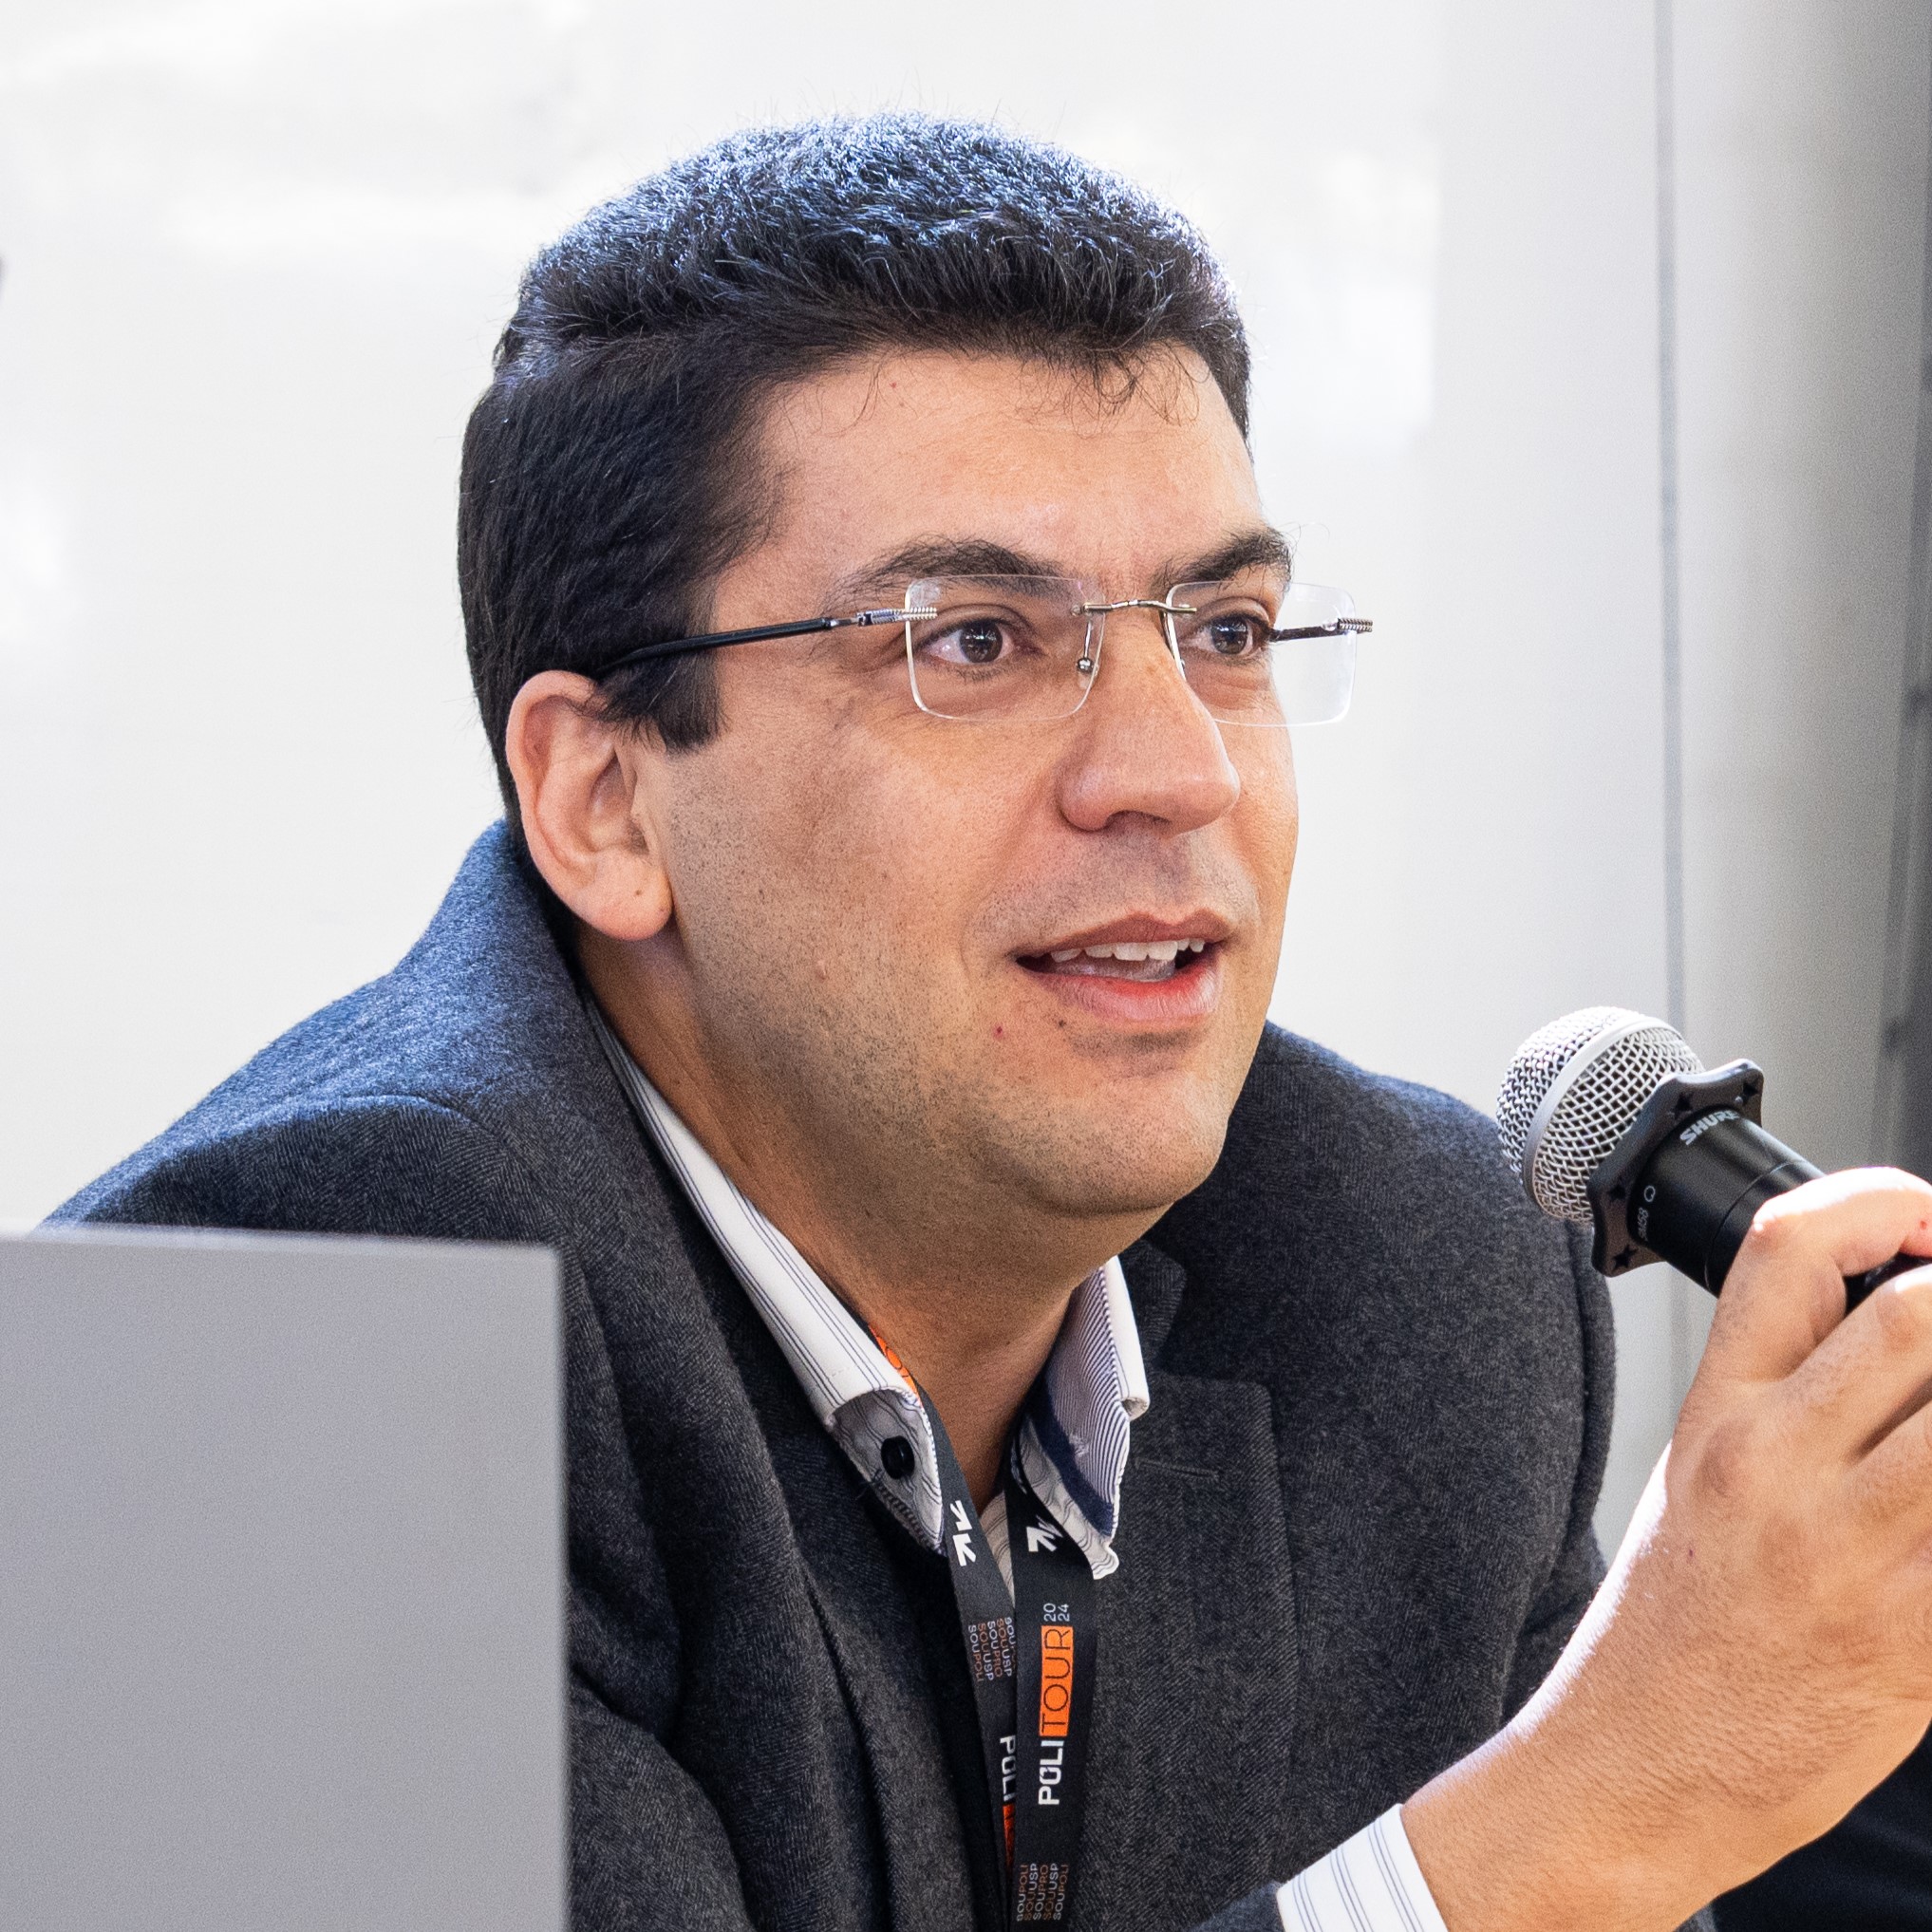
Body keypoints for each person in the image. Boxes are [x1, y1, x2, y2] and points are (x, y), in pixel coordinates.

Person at [56, 115, 1932, 1932]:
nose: (1177, 773)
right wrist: (1579, 1826)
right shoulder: (258, 1365)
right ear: (605, 799)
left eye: (1225, 632)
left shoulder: (1417, 1278)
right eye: (974, 642)